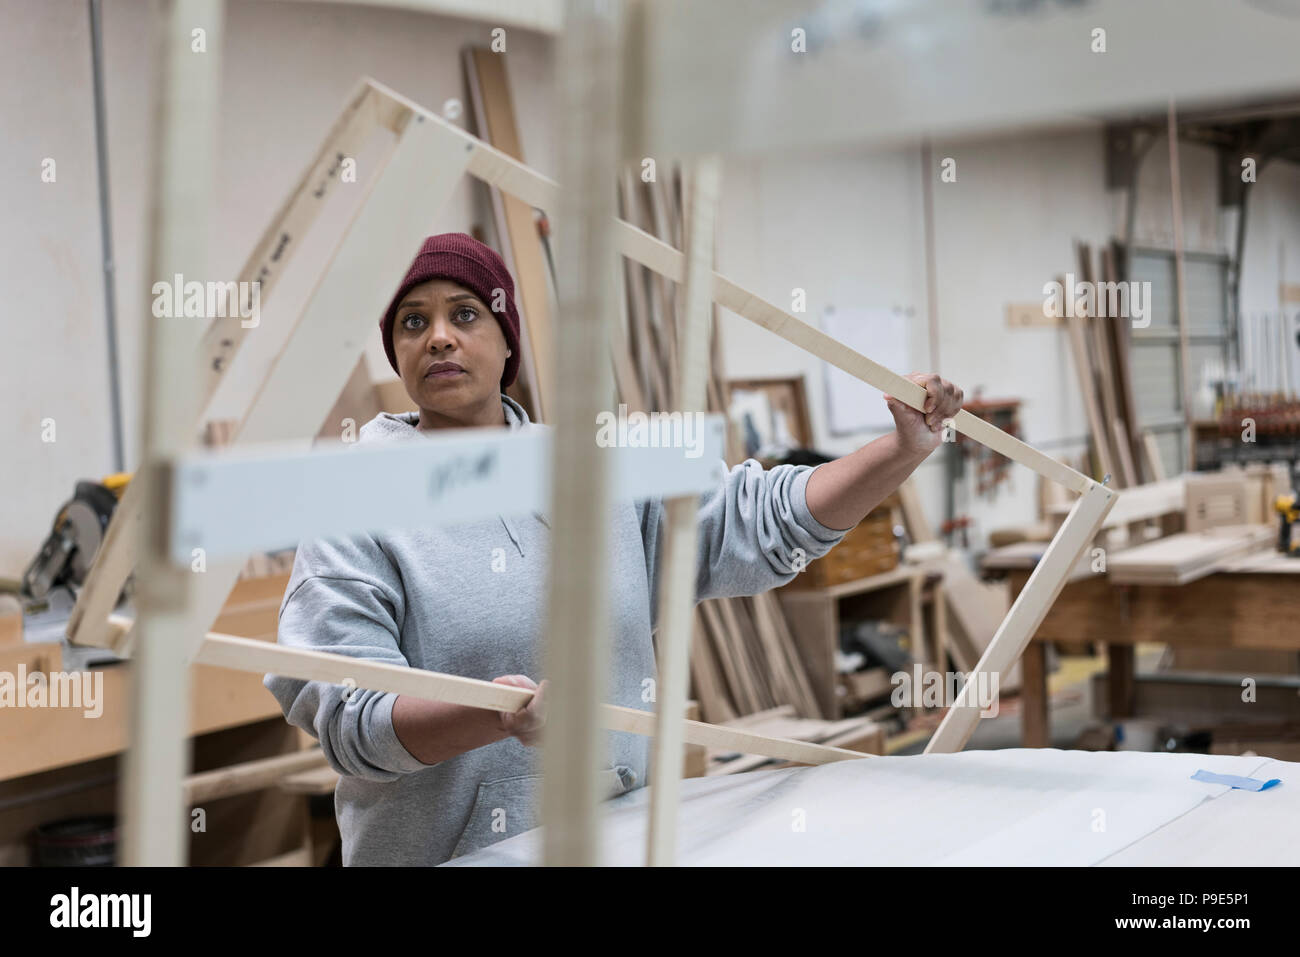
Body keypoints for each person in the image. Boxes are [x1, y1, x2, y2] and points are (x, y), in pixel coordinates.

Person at [264, 232, 964, 865]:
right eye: (414, 322)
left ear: (510, 344)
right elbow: (351, 716)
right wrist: (489, 716)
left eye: (465, 314)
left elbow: (755, 521)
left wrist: (900, 450)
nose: (439, 337)